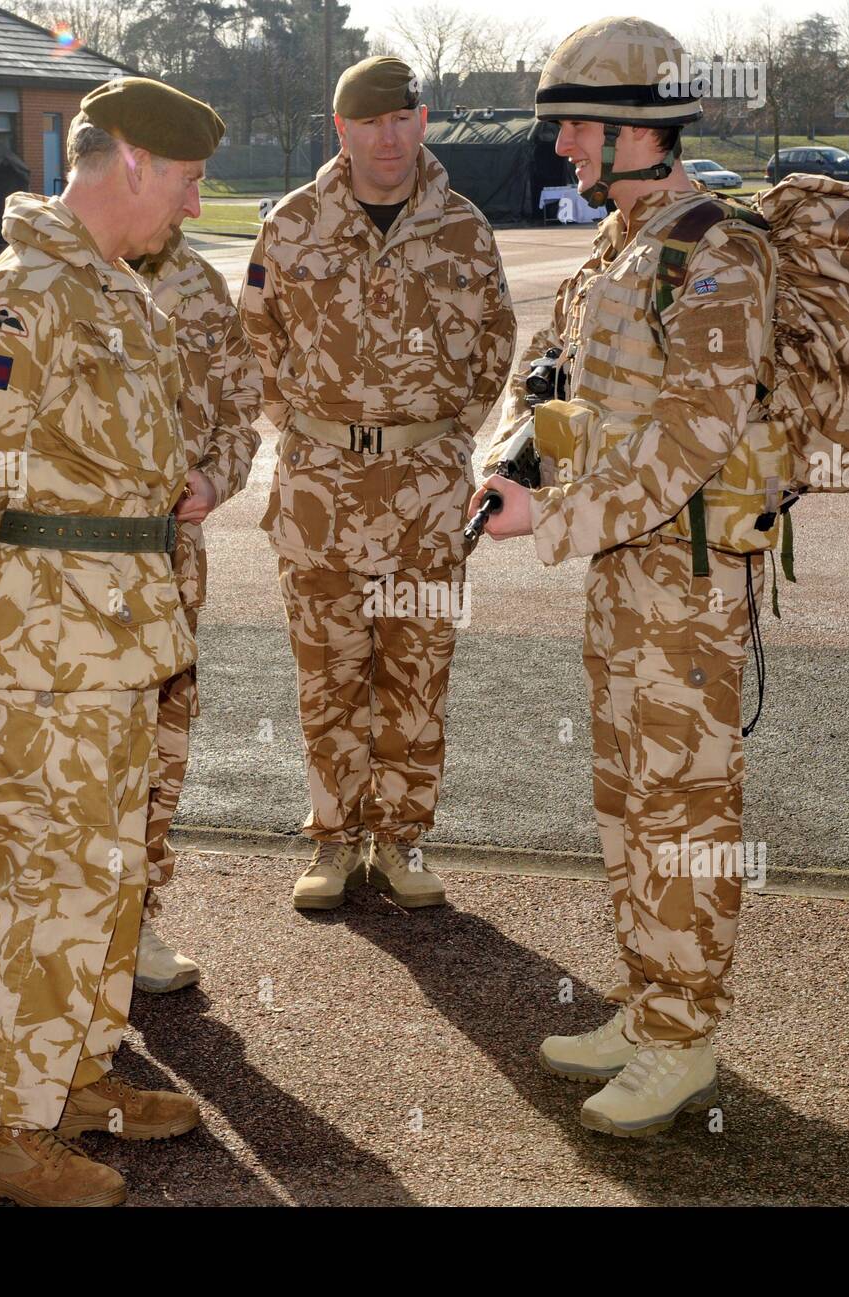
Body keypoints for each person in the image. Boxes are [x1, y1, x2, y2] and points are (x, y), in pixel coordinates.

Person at [0, 76, 223, 1206]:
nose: (191, 204)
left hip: (118, 634)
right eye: (184, 180)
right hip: (53, 639)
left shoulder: (115, 290)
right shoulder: (27, 292)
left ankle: (74, 1078)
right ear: (130, 161)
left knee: (108, 869)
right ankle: (3, 1130)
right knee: (49, 878)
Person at [471, 17, 777, 1138]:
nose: (561, 152)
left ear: (629, 130)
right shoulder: (620, 244)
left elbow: (691, 437)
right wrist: (507, 456)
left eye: (573, 132)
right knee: (626, 802)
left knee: (684, 810)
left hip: (686, 588)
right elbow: (551, 376)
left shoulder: (719, 251)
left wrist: (554, 514)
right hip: (620, 572)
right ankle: (649, 1007)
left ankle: (685, 1037)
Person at [240, 56, 515, 911]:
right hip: (320, 491)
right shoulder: (291, 226)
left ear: (423, 122)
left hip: (428, 495)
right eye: (369, 123)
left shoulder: (464, 228)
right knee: (328, 674)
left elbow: (498, 346)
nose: (387, 138)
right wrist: (316, 433)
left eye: (401, 121)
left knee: (417, 674)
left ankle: (400, 841)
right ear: (342, 131)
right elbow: (255, 344)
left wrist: (439, 438)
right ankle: (332, 840)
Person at [130, 222, 262, 992]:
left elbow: (242, 407)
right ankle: (75, 938)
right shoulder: (46, 280)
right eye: (184, 177)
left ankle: (135, 918)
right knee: (77, 761)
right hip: (73, 572)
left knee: (160, 747)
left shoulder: (199, 284)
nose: (196, 198)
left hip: (173, 559)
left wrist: (216, 480)